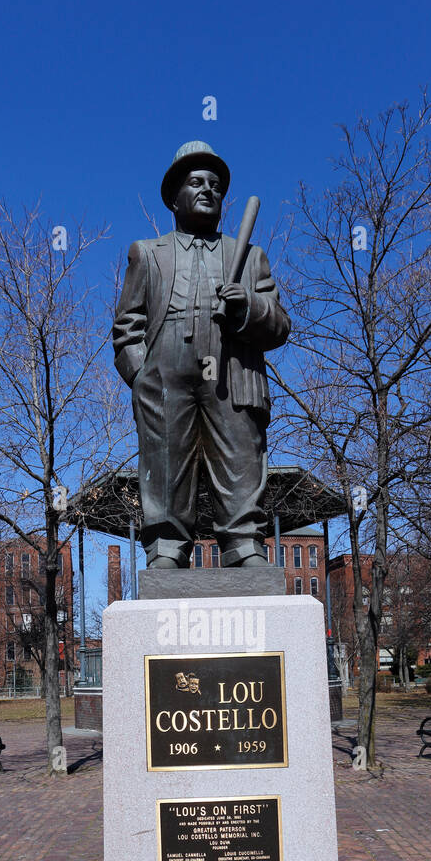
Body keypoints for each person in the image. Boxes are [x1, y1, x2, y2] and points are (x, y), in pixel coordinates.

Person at [112, 141, 290, 568]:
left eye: (215, 184)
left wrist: (247, 305)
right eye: (196, 182)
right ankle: (167, 547)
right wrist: (142, 378)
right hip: (165, 372)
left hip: (230, 367)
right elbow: (126, 327)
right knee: (166, 459)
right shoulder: (147, 254)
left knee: (239, 453)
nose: (208, 189)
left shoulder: (248, 257)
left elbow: (279, 325)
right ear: (174, 197)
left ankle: (244, 543)